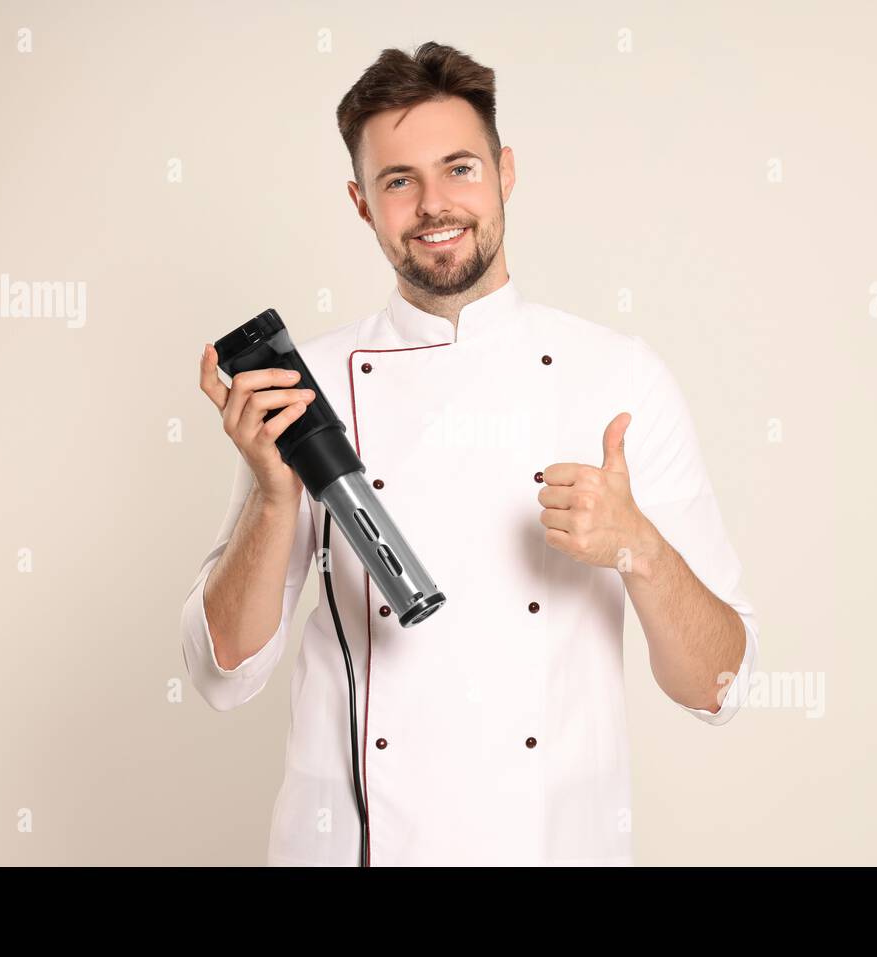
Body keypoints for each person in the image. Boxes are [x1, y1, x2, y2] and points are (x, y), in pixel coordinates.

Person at [181, 41, 759, 866]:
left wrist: (637, 545)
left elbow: (720, 688)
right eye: (398, 181)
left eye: (459, 168)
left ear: (505, 171)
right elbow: (222, 673)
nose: (432, 204)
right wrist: (276, 498)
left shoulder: (619, 376)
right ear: (361, 203)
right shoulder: (308, 392)